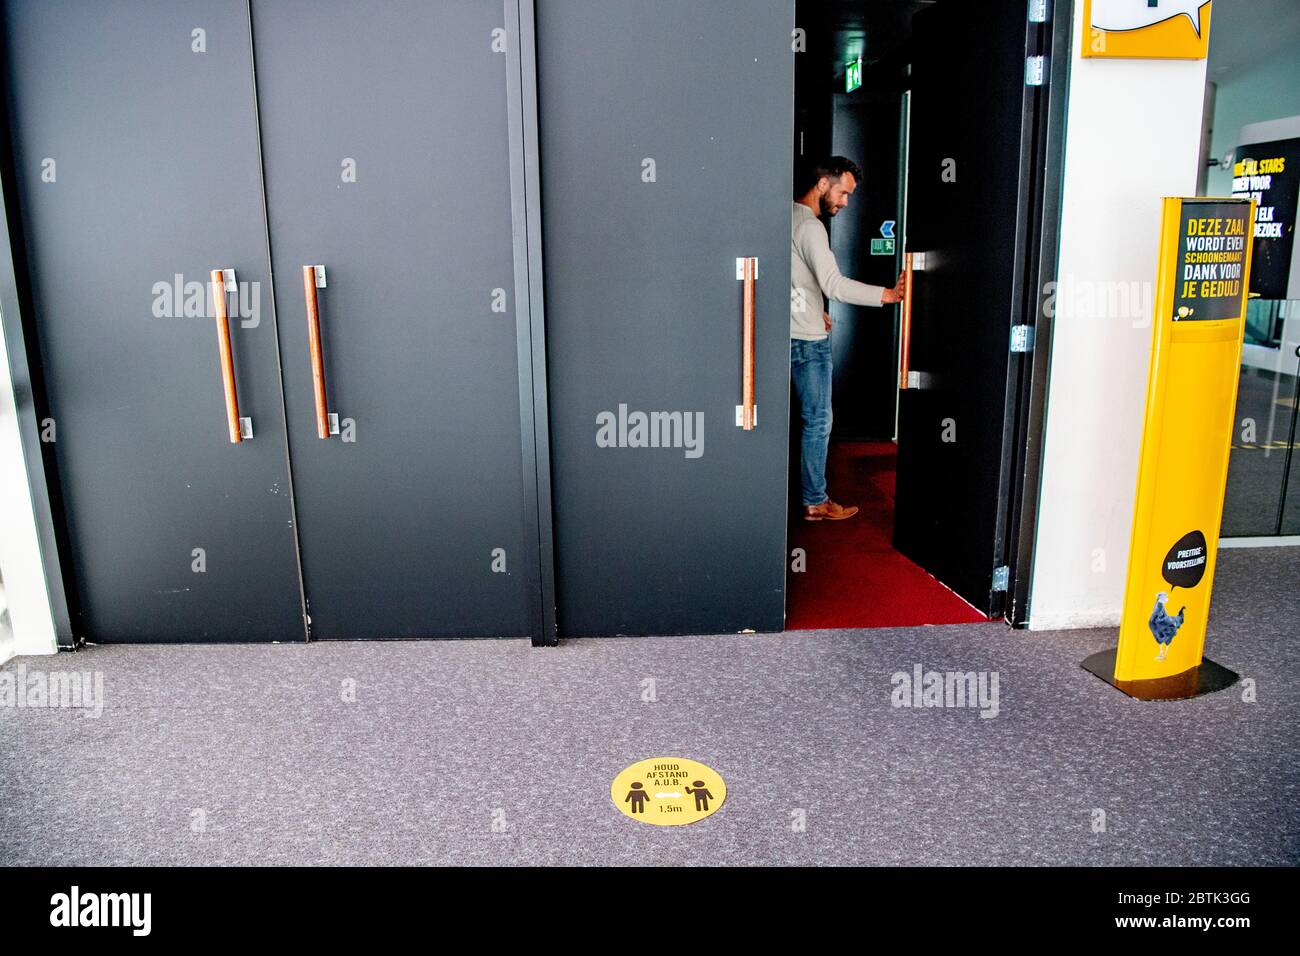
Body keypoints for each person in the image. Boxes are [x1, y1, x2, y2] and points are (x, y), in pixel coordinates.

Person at [791, 156, 905, 521]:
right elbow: (834, 285)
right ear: (823, 184)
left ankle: (812, 498)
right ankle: (815, 501)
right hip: (808, 343)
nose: (845, 202)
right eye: (843, 192)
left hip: (793, 332)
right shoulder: (810, 227)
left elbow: (790, 278)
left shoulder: (786, 217)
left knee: (804, 420)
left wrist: (811, 307)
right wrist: (887, 295)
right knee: (818, 421)